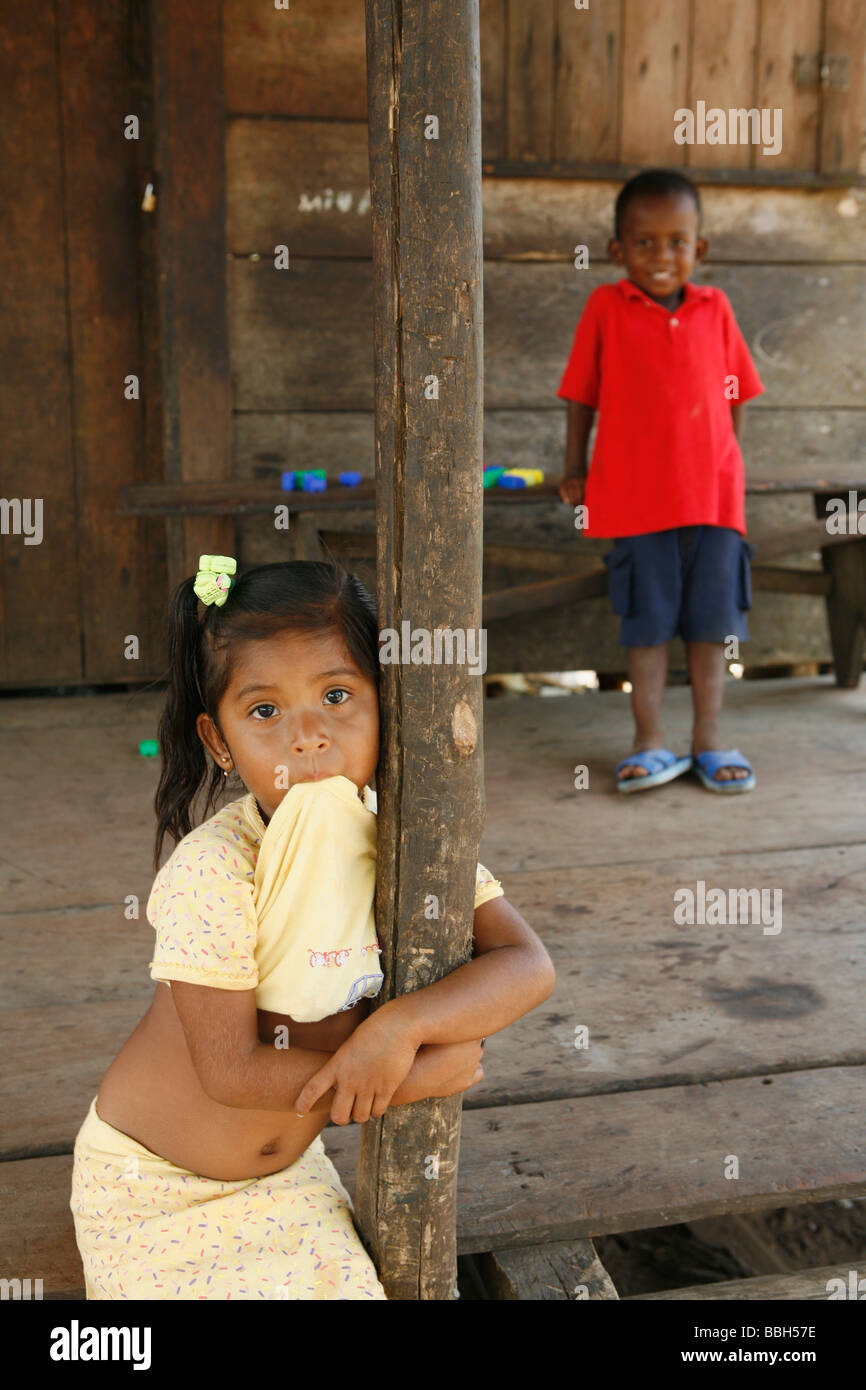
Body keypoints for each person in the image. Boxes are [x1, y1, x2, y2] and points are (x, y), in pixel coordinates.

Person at [69, 555, 555, 1300]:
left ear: (385, 704)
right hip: (153, 1189)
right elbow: (232, 1072)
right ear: (220, 741)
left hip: (288, 1180)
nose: (307, 736)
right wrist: (416, 1077)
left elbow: (525, 964)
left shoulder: (406, 842)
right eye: (265, 711)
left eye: (336, 695)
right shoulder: (217, 871)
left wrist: (398, 1030)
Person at [557, 169, 764, 794]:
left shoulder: (715, 308)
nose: (661, 255)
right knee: (645, 625)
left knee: (711, 625)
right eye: (643, 242)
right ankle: (649, 741)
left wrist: (726, 462)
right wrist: (575, 469)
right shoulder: (605, 308)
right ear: (617, 250)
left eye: (677, 241)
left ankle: (710, 740)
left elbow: (737, 394)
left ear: (699, 250)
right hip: (632, 502)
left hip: (714, 502)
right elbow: (579, 396)